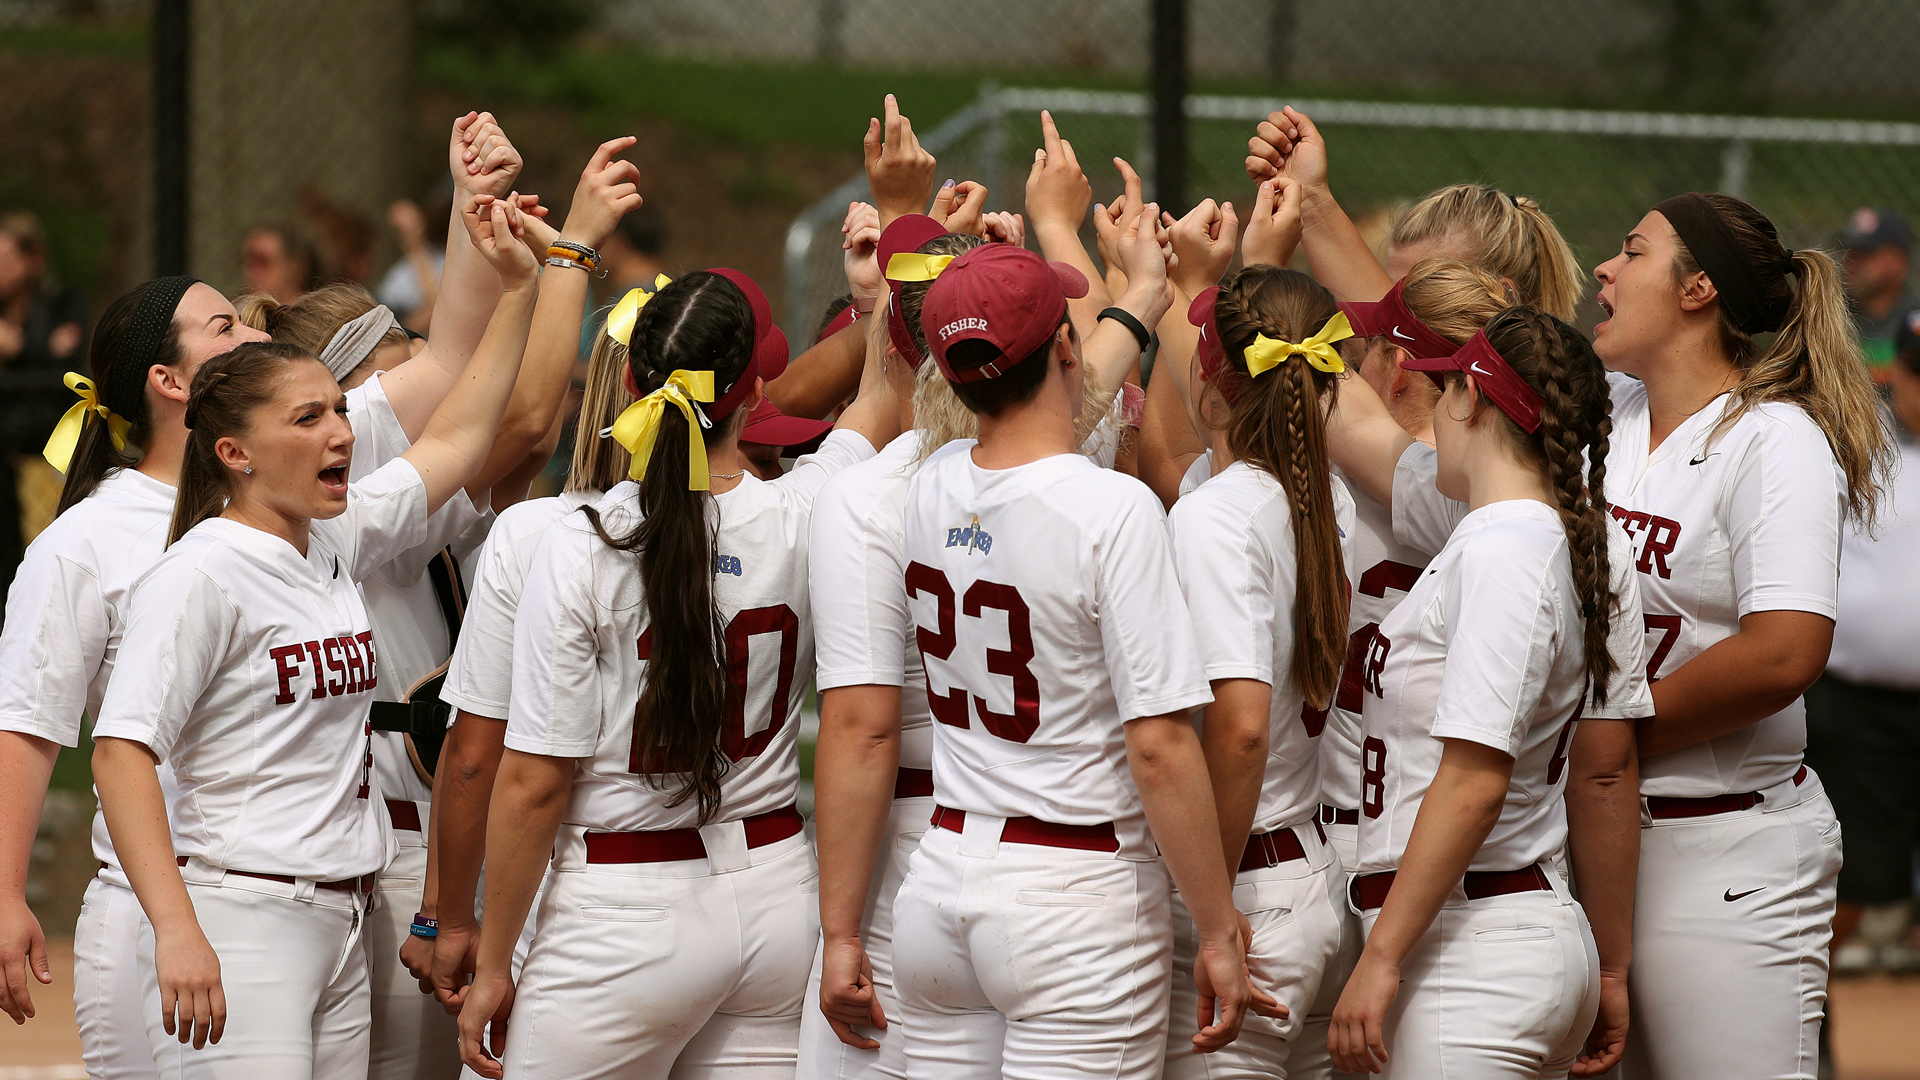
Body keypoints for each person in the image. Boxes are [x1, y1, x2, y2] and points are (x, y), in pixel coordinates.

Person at [0, 109, 529, 1076]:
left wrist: (476, 219)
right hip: (198, 894)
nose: (254, 322)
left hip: (330, 900)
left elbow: (454, 387)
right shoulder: (117, 546)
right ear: (177, 387)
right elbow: (45, 731)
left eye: (337, 412)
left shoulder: (305, 495)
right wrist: (6, 894)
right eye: (225, 324)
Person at [455, 265, 898, 1079]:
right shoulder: (810, 508)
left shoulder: (582, 539)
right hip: (773, 898)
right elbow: (875, 402)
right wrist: (888, 276)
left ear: (629, 380)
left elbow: (533, 782)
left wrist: (494, 963)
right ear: (756, 390)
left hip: (622, 912)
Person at [888, 215, 1276, 1076]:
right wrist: (1215, 925)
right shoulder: (1111, 508)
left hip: (941, 877)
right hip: (1073, 896)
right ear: (1064, 346)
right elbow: (1160, 745)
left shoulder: (929, 482)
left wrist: (1134, 299)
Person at [1587, 192, 1890, 1079]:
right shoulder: (1607, 413)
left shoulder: (1774, 438)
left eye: (1632, 252)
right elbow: (1452, 375)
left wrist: (1610, 742)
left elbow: (1786, 650)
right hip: (1597, 839)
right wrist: (1322, 213)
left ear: (1699, 290)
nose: (1605, 268)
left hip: (1725, 851)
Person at [1321, 307, 1650, 1078]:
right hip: (1511, 928)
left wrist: (1382, 958)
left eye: (1443, 390)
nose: (1433, 407)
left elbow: (1474, 779)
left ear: (1471, 397)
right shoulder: (1579, 540)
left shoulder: (1506, 551)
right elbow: (1604, 769)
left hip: (1467, 950)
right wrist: (1605, 966)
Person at [1161, 264, 1360, 1080]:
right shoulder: (1326, 494)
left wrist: (1212, 912)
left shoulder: (1218, 514)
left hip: (1244, 888)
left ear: (1211, 380)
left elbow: (1241, 730)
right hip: (1311, 872)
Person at [1804, 309, 1920, 974]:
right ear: (1896, 373)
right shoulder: (1857, 446)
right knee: (1838, 885)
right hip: (1856, 710)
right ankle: (1810, 1040)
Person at [0, 209, 88, 601]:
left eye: (7, 260)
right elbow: (50, 362)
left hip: (49, 450)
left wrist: (18, 348)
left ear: (33, 260)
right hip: (6, 447)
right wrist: (42, 354)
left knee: (46, 553)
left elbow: (67, 371)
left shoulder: (61, 302)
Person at [1838, 206, 1916, 374]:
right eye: (1849, 251)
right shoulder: (1834, 317)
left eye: (1865, 254)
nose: (1850, 261)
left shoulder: (1915, 321)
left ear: (1898, 261)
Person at [240, 224, 320, 306]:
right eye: (250, 263)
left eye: (263, 263)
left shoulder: (317, 315)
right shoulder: (235, 314)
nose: (252, 272)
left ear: (298, 269)